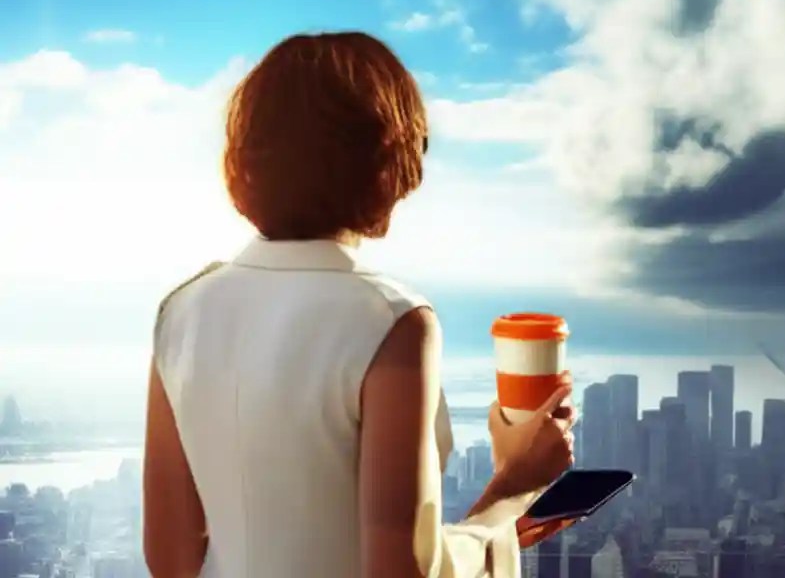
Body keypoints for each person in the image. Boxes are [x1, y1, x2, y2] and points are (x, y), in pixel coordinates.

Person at [142, 32, 575, 578]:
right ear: (387, 155)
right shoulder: (391, 319)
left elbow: (170, 560)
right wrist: (512, 490)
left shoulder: (181, 310)